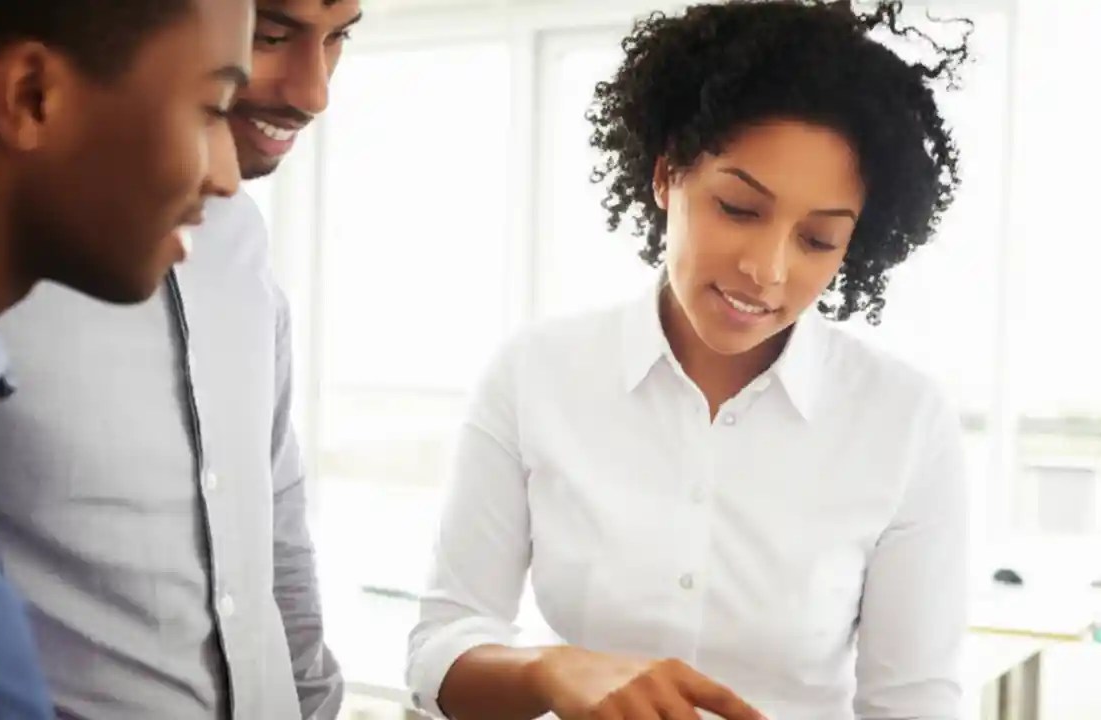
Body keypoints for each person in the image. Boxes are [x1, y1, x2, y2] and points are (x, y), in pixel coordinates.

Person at [407, 2, 972, 719]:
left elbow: (913, 707)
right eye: (738, 208)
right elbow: (439, 650)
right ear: (667, 176)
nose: (766, 270)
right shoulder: (536, 376)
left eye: (818, 240)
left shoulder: (905, 422)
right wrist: (554, 671)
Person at [0, 1, 360, 718]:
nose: (316, 94)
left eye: (340, 38)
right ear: (33, 96)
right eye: (208, 107)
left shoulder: (242, 244)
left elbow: (274, 519)